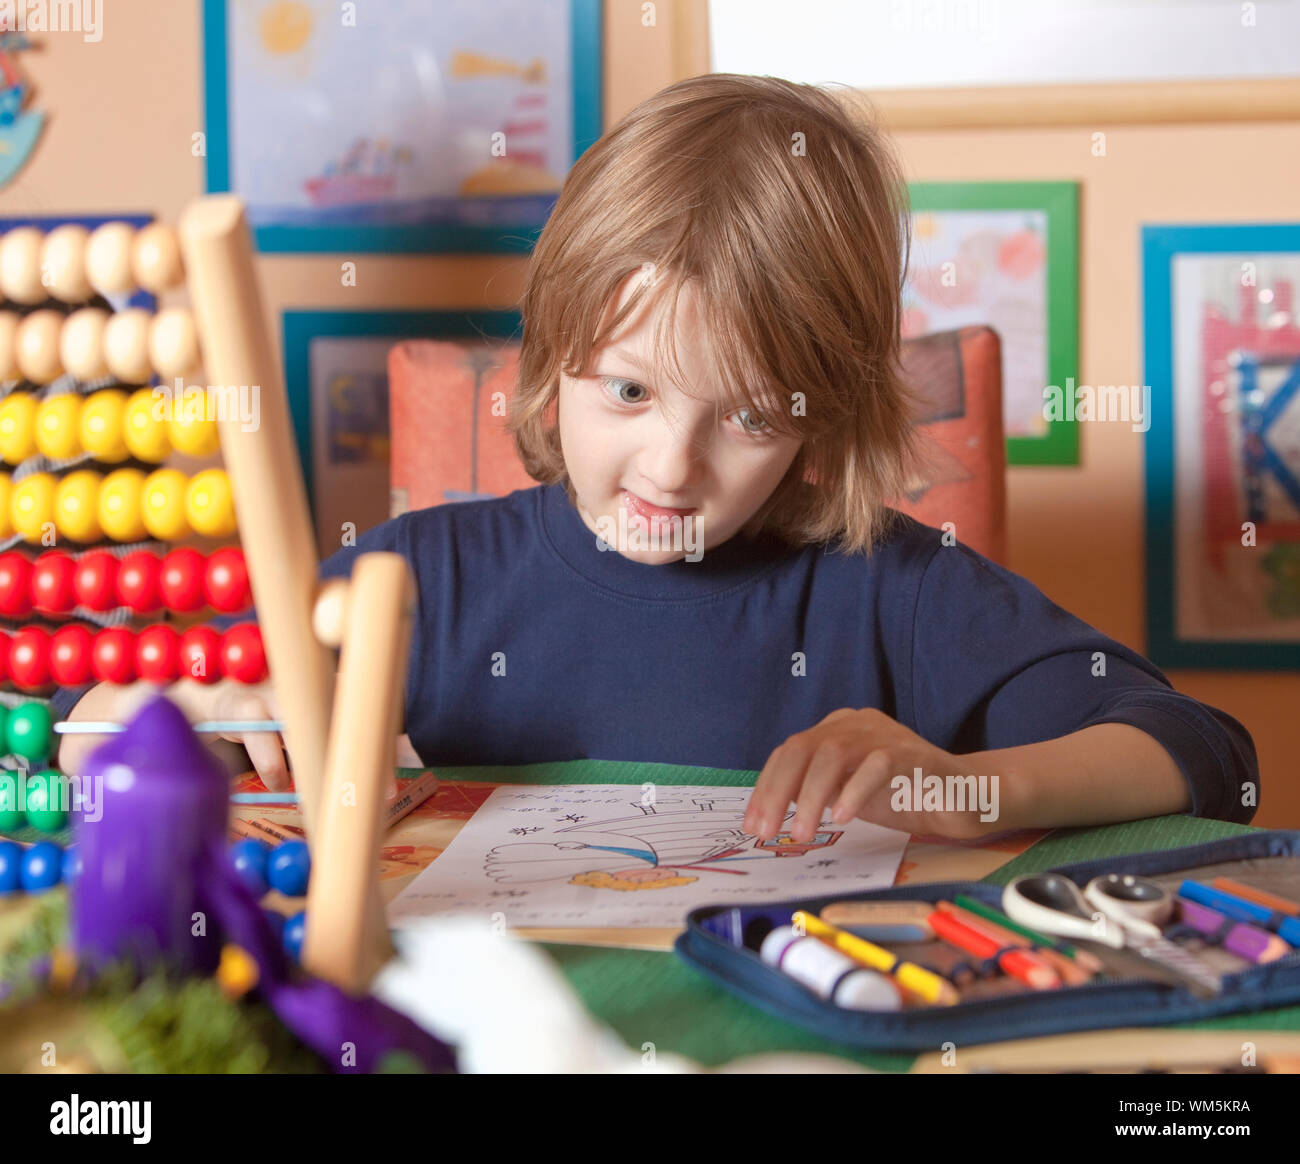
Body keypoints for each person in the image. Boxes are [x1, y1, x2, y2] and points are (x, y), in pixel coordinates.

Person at [55, 74, 1258, 841]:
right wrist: (157, 708)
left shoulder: (896, 588)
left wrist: (961, 787)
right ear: (545, 368)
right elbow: (78, 715)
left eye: (745, 418)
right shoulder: (413, 581)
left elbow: (1206, 753)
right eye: (625, 390)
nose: (668, 469)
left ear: (819, 425)